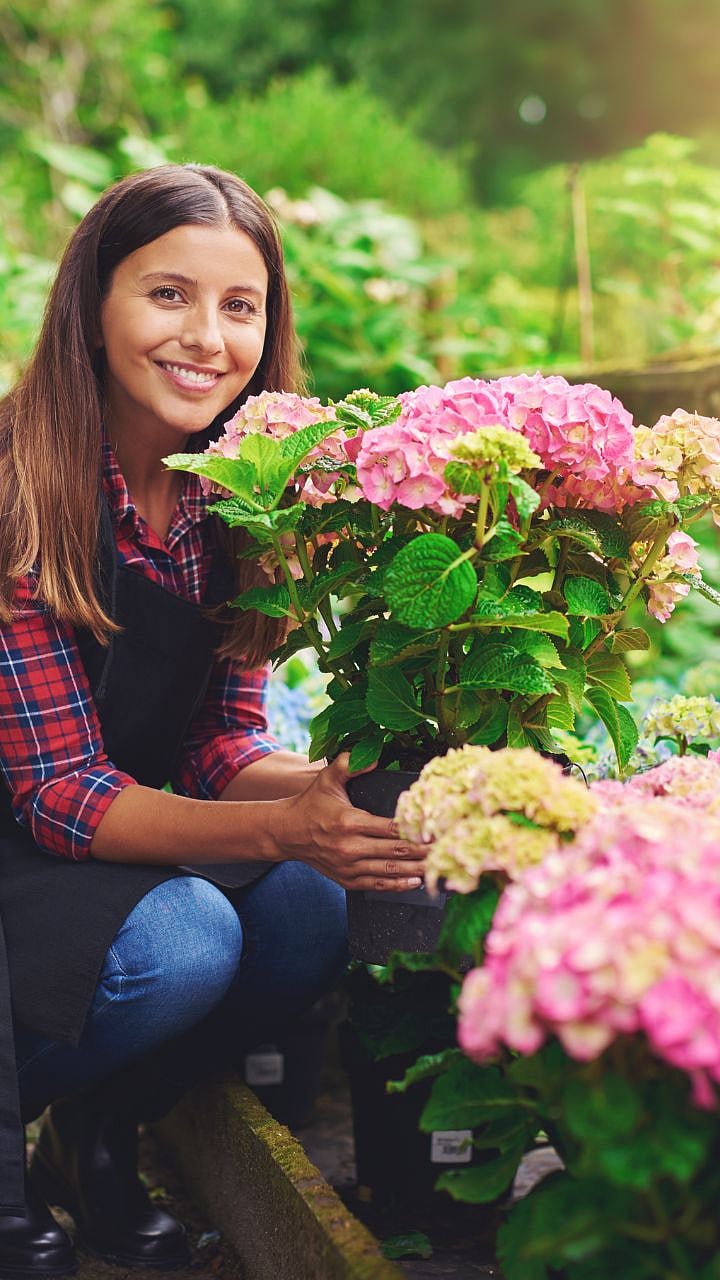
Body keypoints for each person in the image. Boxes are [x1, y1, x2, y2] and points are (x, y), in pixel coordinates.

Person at [0, 163, 428, 1277]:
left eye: (240, 306)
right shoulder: (19, 488)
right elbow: (60, 792)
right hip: (25, 848)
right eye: (169, 294)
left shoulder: (233, 498)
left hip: (110, 839)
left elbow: (220, 746)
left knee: (319, 902)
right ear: (93, 305)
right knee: (187, 937)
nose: (208, 337)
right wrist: (280, 830)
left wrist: (354, 792)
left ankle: (98, 1131)